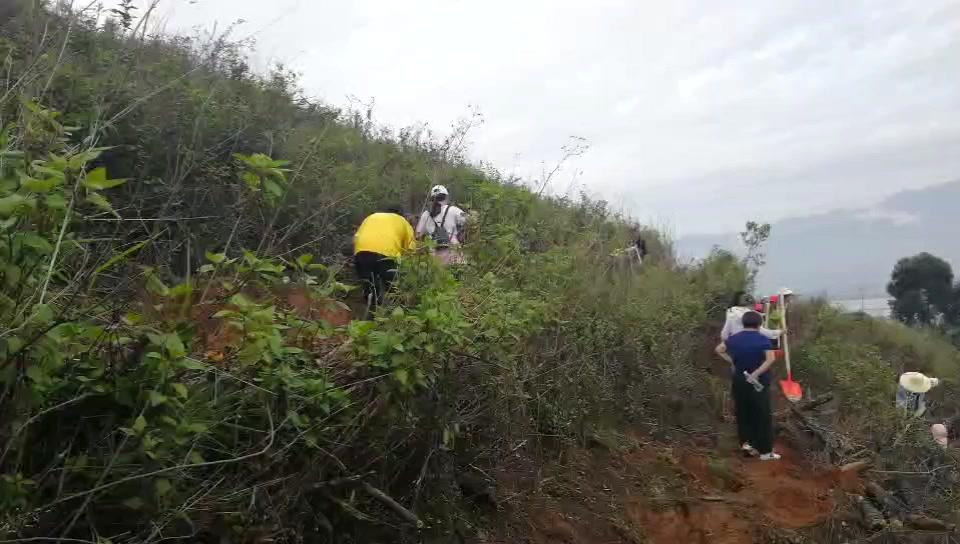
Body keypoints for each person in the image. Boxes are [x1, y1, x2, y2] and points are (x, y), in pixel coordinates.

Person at [715, 310, 781, 461]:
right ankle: (765, 451)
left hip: (739, 379)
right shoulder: (763, 339)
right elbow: (770, 359)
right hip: (758, 382)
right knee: (762, 414)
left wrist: (732, 361)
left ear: (743, 323)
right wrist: (756, 373)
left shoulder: (734, 339)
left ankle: (747, 447)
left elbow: (719, 350)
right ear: (759, 324)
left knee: (743, 412)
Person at [353, 205, 415, 309]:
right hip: (387, 254)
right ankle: (397, 313)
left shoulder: (372, 216)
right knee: (393, 289)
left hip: (361, 251)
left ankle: (369, 311)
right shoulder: (402, 221)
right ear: (401, 215)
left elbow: (356, 238)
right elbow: (411, 249)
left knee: (370, 287)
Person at [415, 185, 466, 265]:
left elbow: (418, 235)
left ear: (432, 198)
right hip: (453, 250)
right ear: (446, 197)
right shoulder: (453, 210)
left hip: (435, 254)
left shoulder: (426, 214)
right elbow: (470, 220)